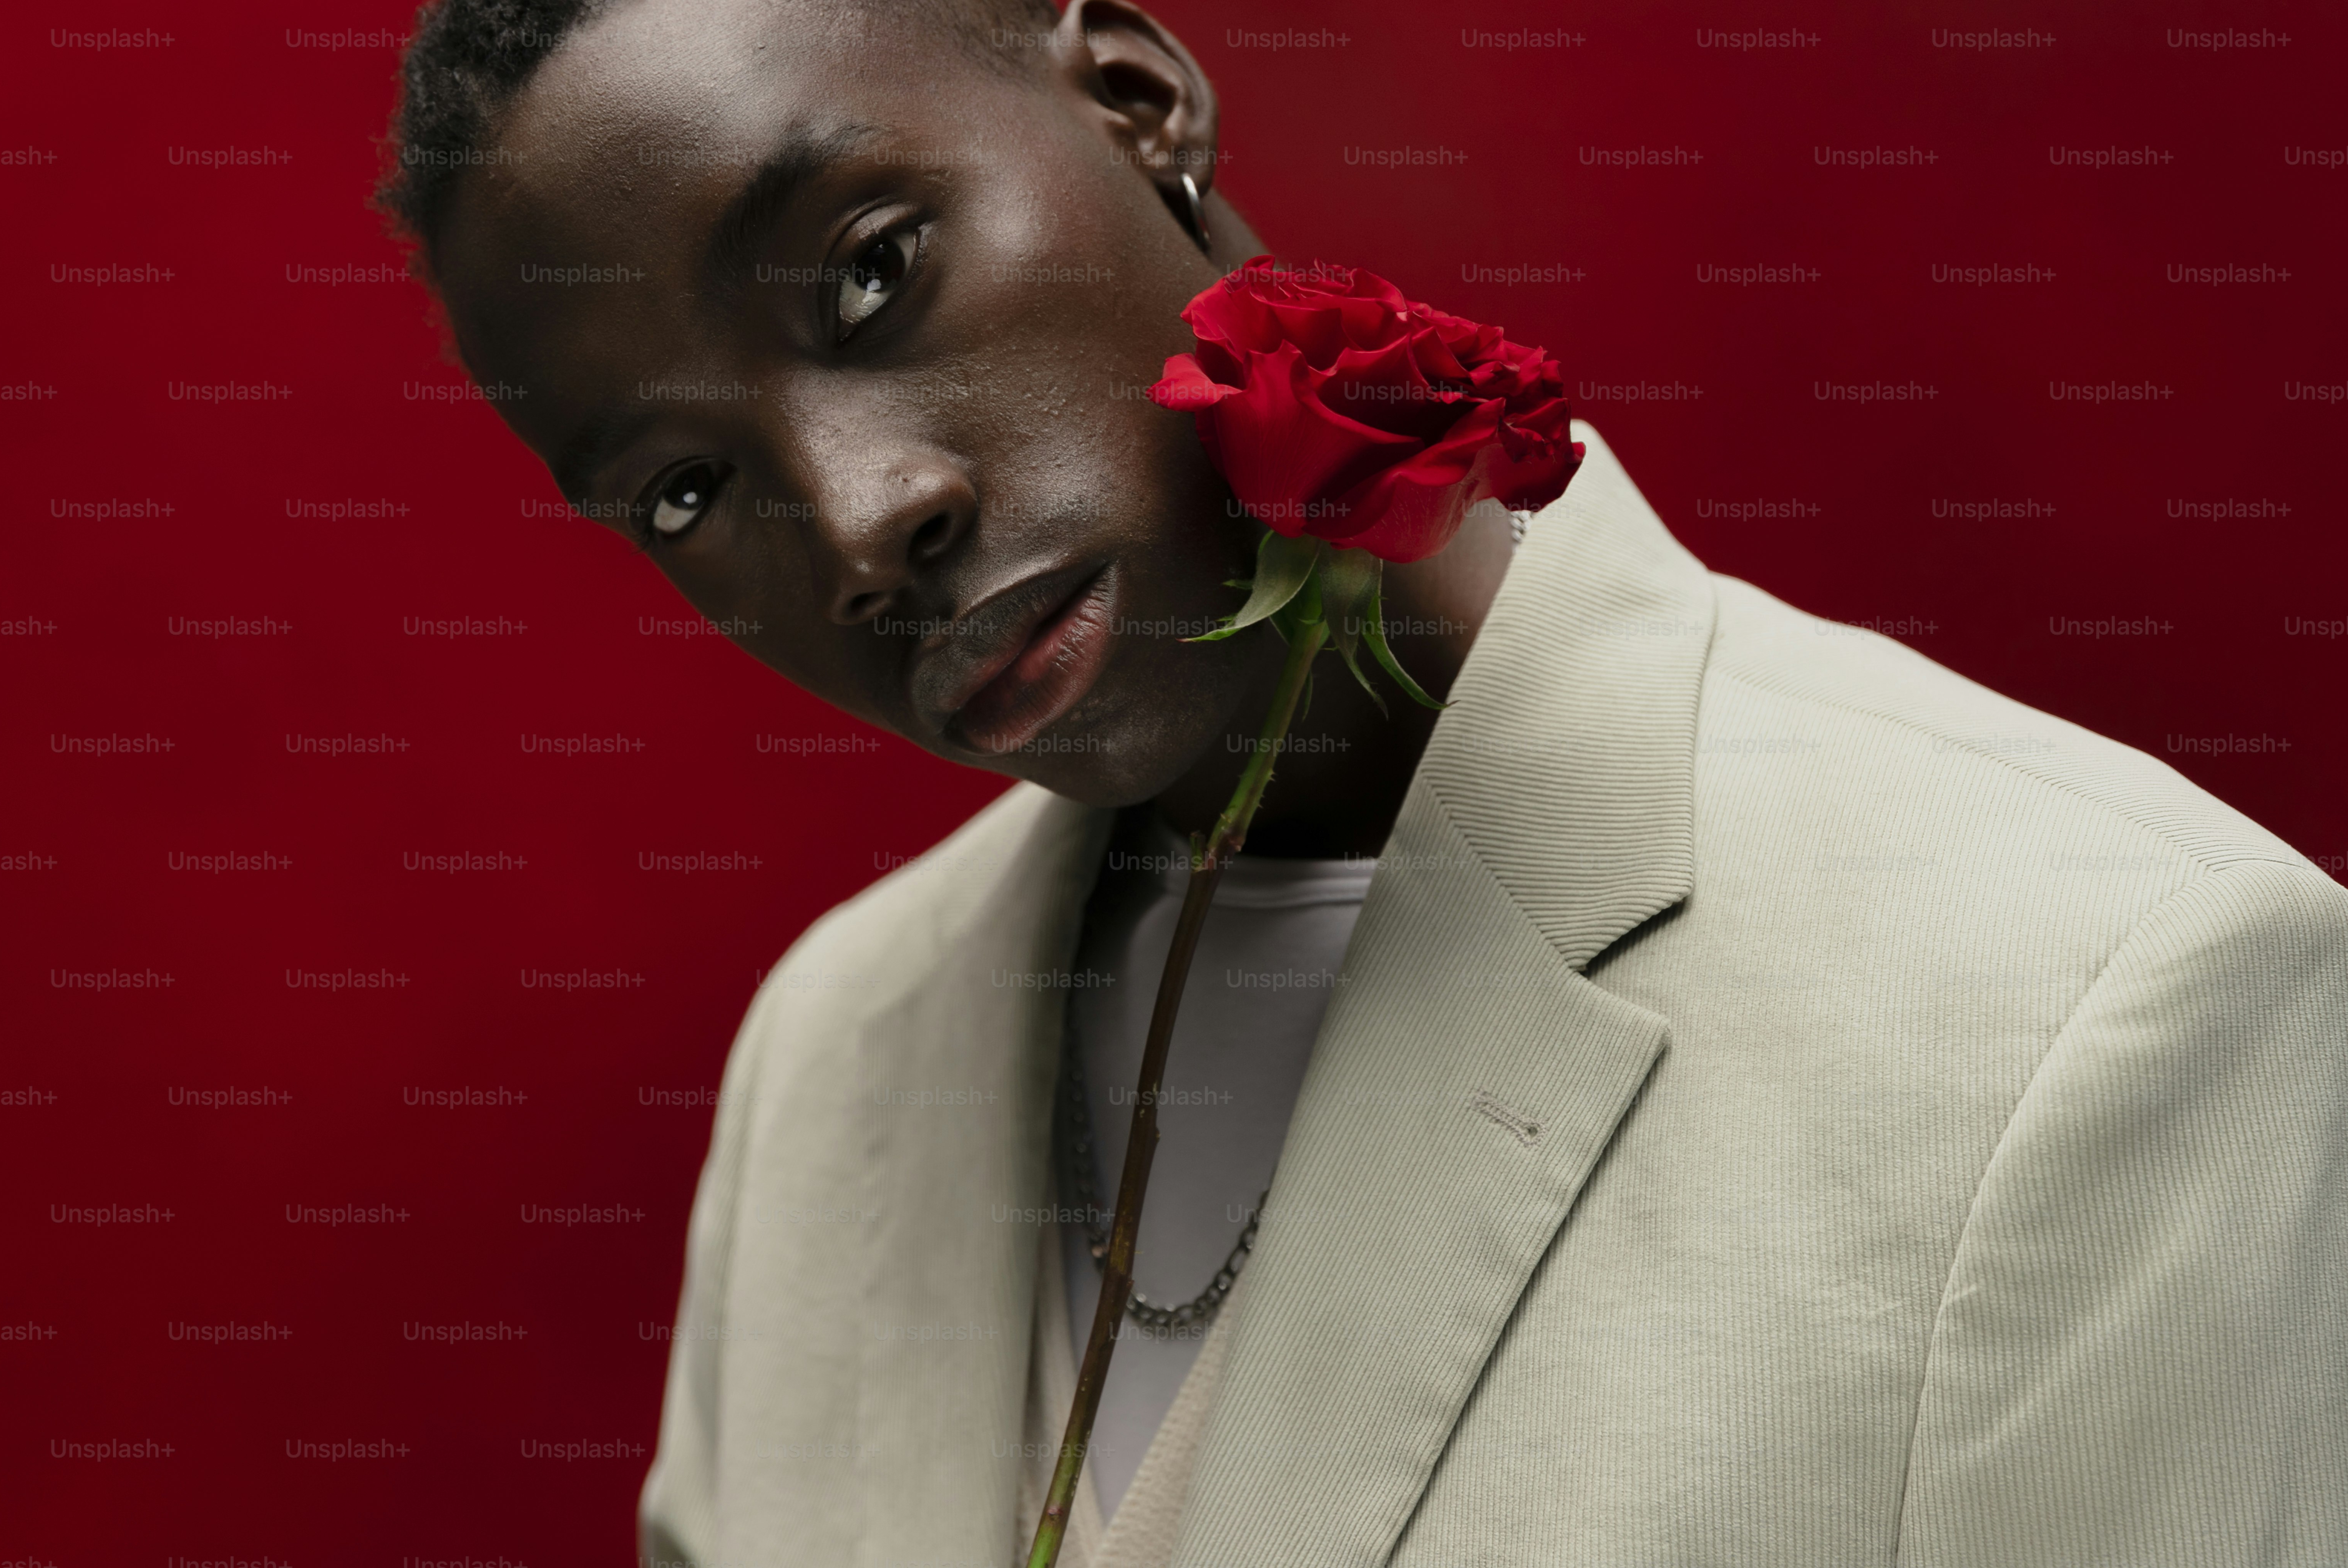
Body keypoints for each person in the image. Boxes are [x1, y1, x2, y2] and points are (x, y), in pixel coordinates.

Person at [379, 2, 2348, 1564]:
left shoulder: (2100, 1004)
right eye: (686, 488)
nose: (861, 518)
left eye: (876, 273)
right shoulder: (831, 1058)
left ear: (1134, 97)